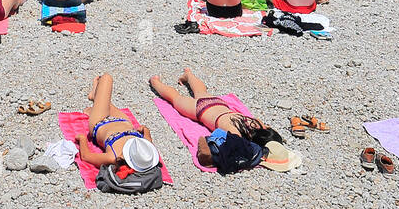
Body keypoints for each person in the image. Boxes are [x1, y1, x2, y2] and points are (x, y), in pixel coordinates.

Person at [148, 69, 286, 156]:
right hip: (201, 110)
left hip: (220, 104)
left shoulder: (257, 124)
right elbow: (232, 146)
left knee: (201, 92)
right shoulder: (235, 133)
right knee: (175, 98)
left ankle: (189, 74)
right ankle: (155, 82)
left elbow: (265, 129)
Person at [76, 74, 159, 173]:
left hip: (100, 122)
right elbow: (147, 133)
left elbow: (86, 156)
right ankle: (95, 97)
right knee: (103, 100)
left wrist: (82, 139)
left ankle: (95, 98)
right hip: (123, 120)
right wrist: (144, 129)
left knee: (106, 78)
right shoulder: (145, 151)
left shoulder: (113, 157)